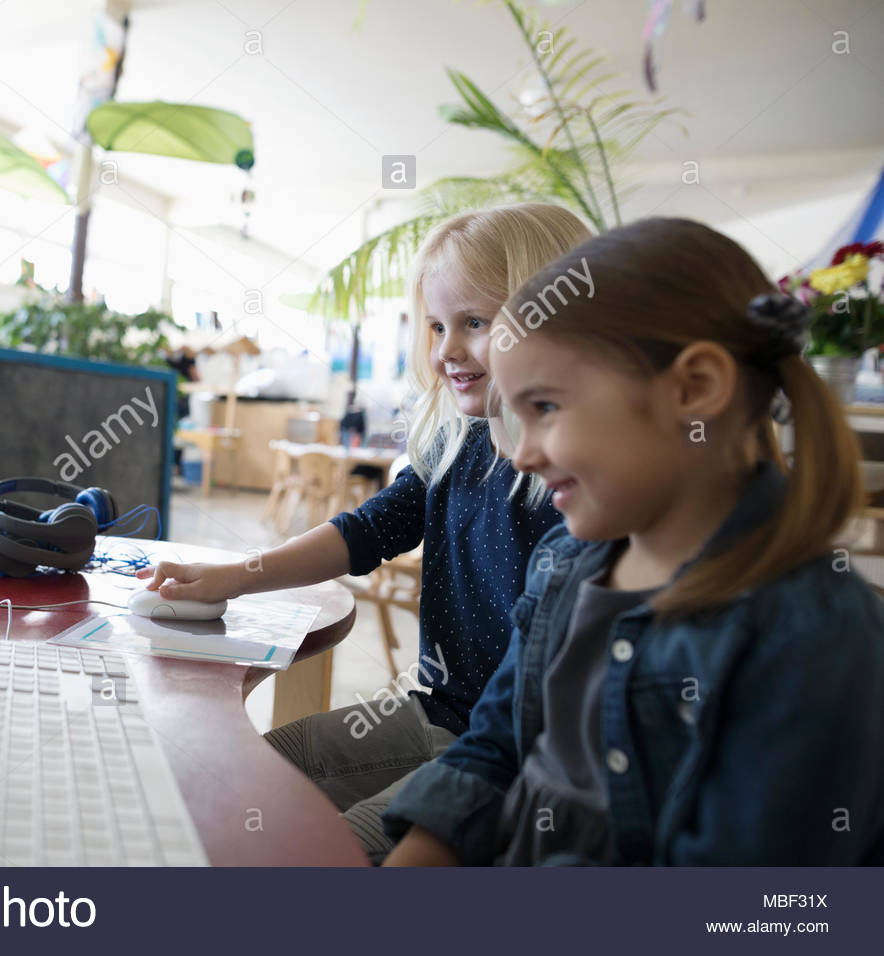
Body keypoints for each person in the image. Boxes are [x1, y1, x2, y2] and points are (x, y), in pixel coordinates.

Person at [383, 218, 884, 865]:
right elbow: (494, 748)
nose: (523, 453)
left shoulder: (810, 631)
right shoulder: (562, 567)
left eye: (546, 408)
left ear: (695, 388)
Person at [138, 203, 591, 862]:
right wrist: (238, 576)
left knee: (326, 849)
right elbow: (370, 528)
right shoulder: (457, 443)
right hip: (440, 714)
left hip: (521, 755)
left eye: (474, 323)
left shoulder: (577, 487)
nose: (444, 351)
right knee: (244, 783)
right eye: (437, 326)